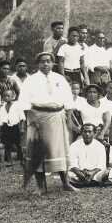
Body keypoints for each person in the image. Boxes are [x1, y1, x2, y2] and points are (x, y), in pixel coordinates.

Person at [18, 52, 78, 193]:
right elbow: (24, 103)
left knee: (60, 150)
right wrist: (31, 120)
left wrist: (68, 118)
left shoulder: (60, 79)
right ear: (38, 64)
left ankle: (66, 183)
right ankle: (41, 187)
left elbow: (68, 101)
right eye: (42, 61)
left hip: (58, 116)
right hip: (38, 117)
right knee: (38, 151)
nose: (45, 64)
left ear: (52, 63)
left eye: (48, 61)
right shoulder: (31, 80)